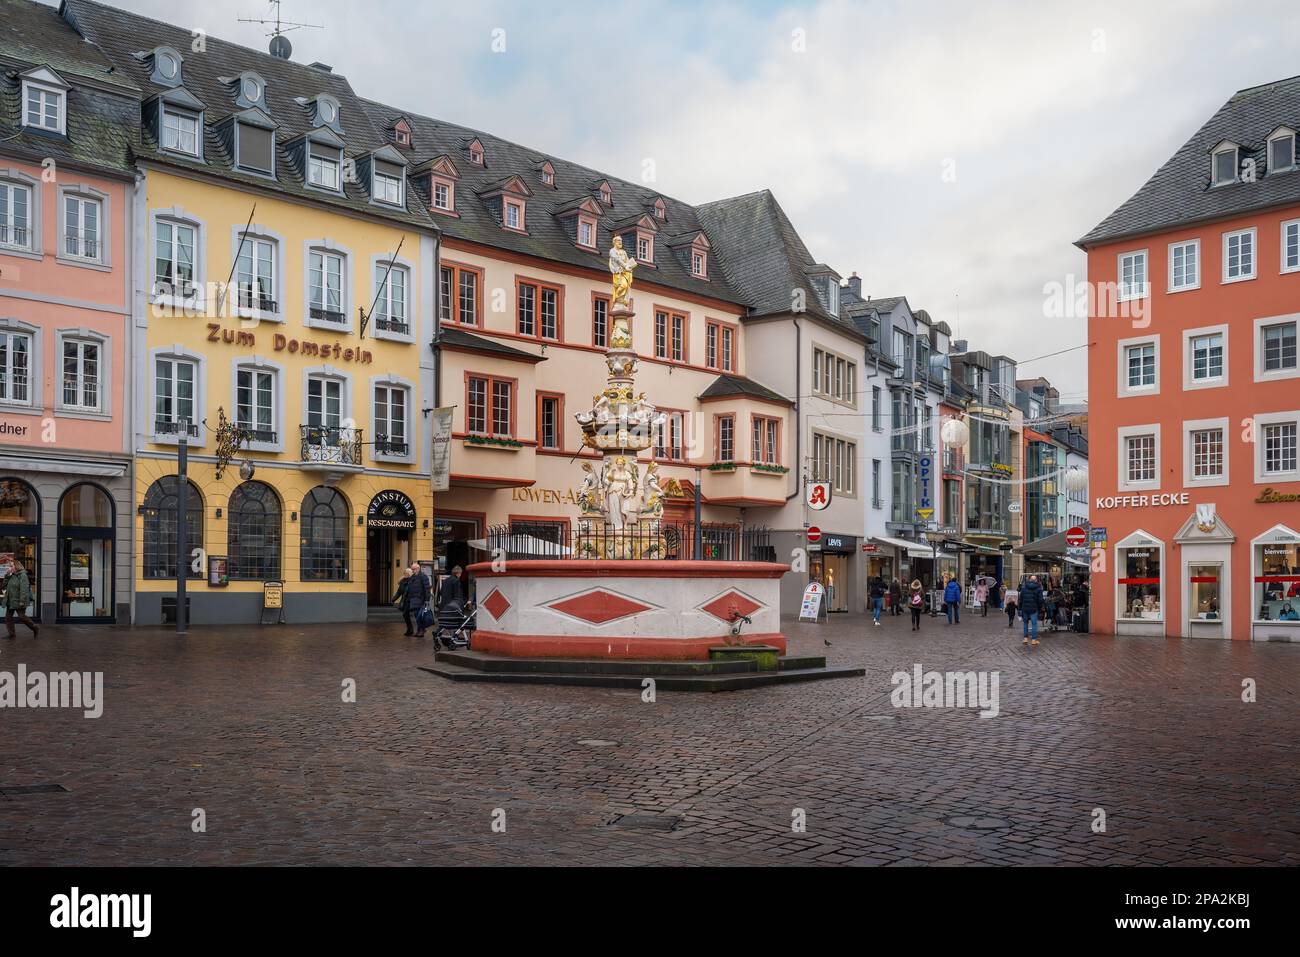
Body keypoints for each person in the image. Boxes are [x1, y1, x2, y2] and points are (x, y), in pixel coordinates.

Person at [3, 564, 38, 639]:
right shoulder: (11, 576)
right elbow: (4, 585)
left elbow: (24, 589)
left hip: (19, 600)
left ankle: (34, 627)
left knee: (21, 617)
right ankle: (12, 635)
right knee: (8, 618)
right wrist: (7, 575)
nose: (10, 568)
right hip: (11, 600)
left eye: (11, 566)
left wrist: (22, 600)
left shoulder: (23, 575)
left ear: (16, 567)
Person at [434, 564, 464, 647]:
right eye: (460, 574)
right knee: (454, 623)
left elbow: (440, 592)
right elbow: (457, 595)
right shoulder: (456, 581)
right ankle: (453, 638)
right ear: (458, 573)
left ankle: (438, 633)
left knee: (445, 622)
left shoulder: (446, 580)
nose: (460, 576)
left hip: (444, 606)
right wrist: (461, 605)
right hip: (452, 606)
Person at [406, 563, 432, 638]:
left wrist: (427, 599)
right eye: (412, 569)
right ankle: (420, 630)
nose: (412, 571)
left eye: (413, 569)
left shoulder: (423, 576)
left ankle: (421, 630)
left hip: (421, 599)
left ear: (418, 569)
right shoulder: (412, 577)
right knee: (416, 615)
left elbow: (427, 589)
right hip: (413, 600)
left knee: (420, 616)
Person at [1019, 574, 1045, 646]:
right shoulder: (1039, 588)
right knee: (1034, 624)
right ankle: (1033, 640)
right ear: (1036, 580)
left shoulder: (1024, 588)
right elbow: (1040, 600)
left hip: (1025, 608)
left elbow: (1020, 600)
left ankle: (1025, 639)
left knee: (1025, 624)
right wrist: (1040, 607)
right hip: (1034, 608)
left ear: (1029, 580)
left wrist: (1019, 609)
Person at [392, 567, 413, 636]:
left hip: (412, 600)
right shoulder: (402, 581)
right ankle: (410, 629)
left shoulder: (413, 581)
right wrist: (393, 599)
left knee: (408, 615)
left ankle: (413, 630)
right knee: (405, 615)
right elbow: (399, 592)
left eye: (407, 573)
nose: (405, 574)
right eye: (405, 573)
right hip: (405, 601)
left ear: (410, 574)